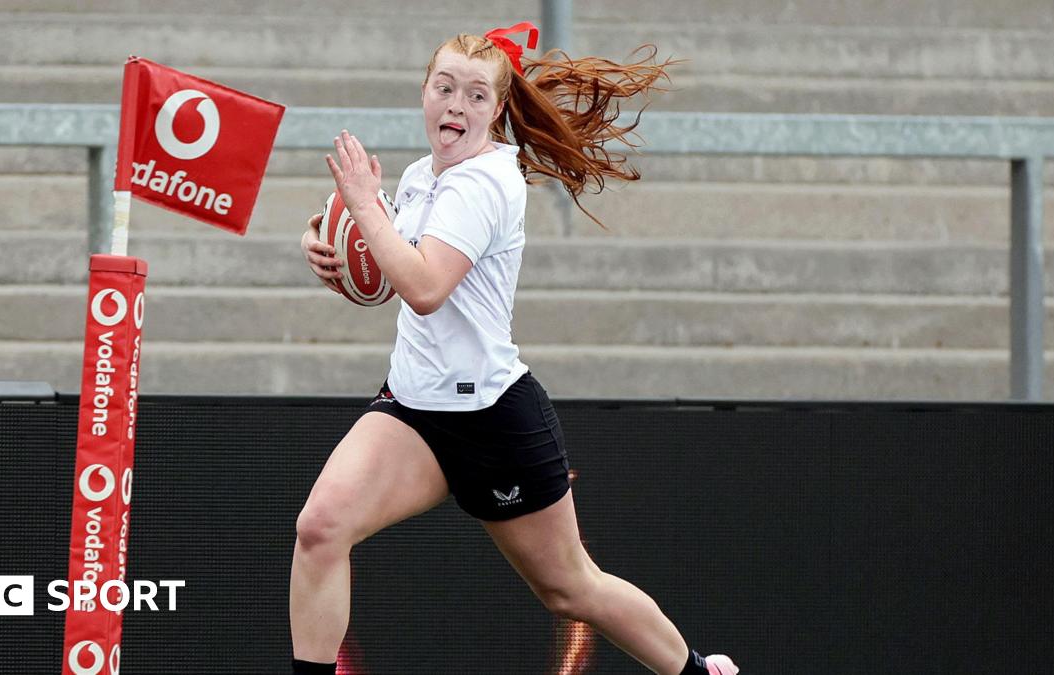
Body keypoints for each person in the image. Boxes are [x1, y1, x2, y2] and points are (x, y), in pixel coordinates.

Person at [293, 22, 738, 675]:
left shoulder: (485, 183)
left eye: (476, 95)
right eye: (445, 87)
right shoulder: (421, 176)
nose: (457, 104)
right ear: (423, 93)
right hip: (413, 409)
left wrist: (363, 209)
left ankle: (697, 671)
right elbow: (387, 271)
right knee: (320, 527)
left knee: (570, 588)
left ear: (497, 109)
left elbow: (425, 287)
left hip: (492, 419)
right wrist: (326, 248)